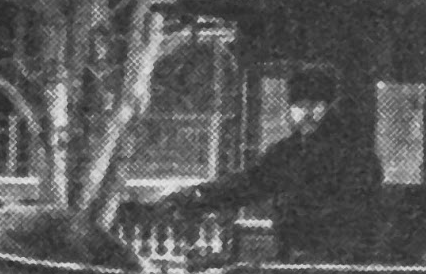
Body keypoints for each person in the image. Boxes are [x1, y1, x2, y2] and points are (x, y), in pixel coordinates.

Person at [161, 69, 383, 262]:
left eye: (315, 105)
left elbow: (355, 217)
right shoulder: (286, 153)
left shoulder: (357, 157)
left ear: (329, 108)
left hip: (337, 265)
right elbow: (251, 182)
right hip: (293, 260)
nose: (306, 113)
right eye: (299, 105)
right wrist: (197, 196)